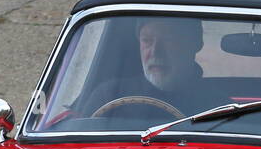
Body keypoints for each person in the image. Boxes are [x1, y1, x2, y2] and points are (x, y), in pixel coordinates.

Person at [78, 18, 225, 119]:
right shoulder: (109, 95)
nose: (155, 51)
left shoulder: (218, 106)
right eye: (147, 41)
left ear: (195, 43)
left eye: (168, 40)